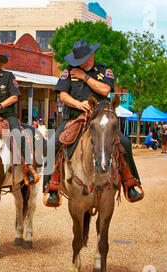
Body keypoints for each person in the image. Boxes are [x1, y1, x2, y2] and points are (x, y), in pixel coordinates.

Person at [43, 40, 143, 206]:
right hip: (74, 118)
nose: (81, 63)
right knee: (52, 144)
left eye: (84, 59)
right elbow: (62, 95)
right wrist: (77, 104)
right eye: (78, 61)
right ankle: (50, 186)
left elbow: (105, 90)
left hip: (100, 119)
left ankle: (131, 183)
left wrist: (85, 77)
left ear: (92, 55)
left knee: (124, 143)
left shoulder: (104, 71)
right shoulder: (68, 72)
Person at [0, 50, 38, 185]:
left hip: (8, 115)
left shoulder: (9, 77)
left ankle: (28, 166)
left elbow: (15, 97)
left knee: (18, 135)